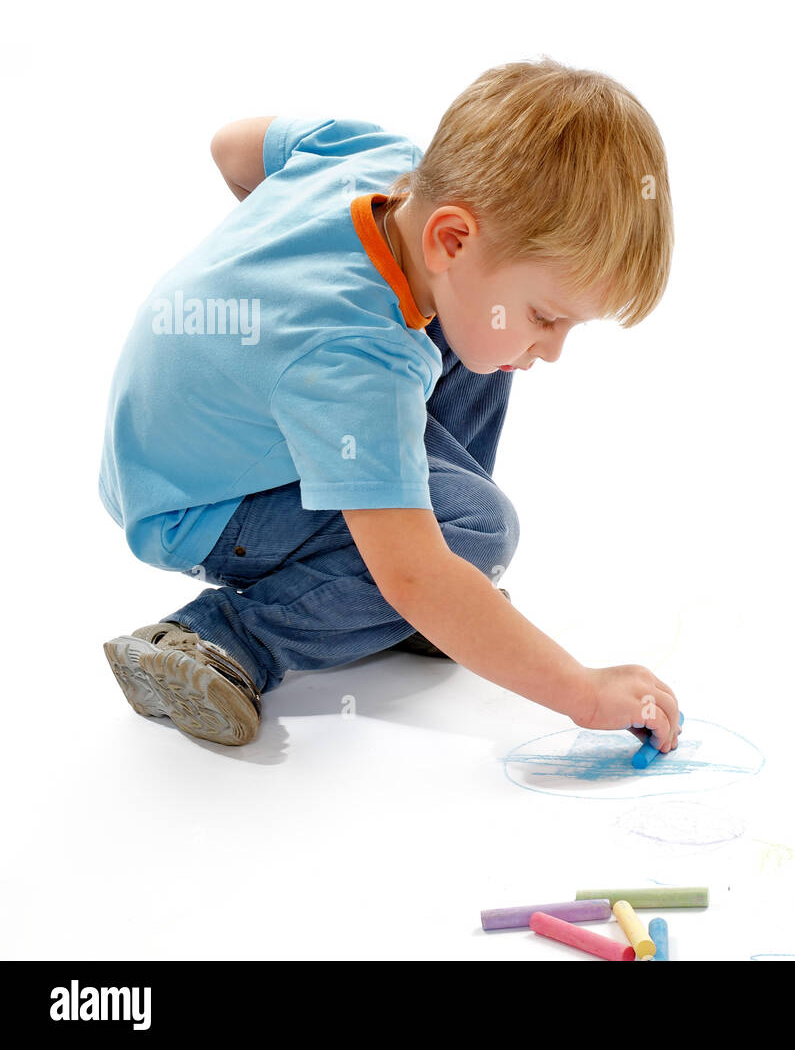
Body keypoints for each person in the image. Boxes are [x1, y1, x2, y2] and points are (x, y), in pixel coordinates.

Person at [98, 57, 681, 755]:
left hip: (181, 435)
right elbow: (411, 574)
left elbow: (232, 145)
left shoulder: (376, 158)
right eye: (548, 316)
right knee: (476, 531)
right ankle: (222, 637)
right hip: (200, 505)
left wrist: (273, 287)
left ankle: (421, 580)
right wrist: (582, 691)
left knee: (489, 341)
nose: (552, 350)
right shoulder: (355, 359)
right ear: (451, 238)